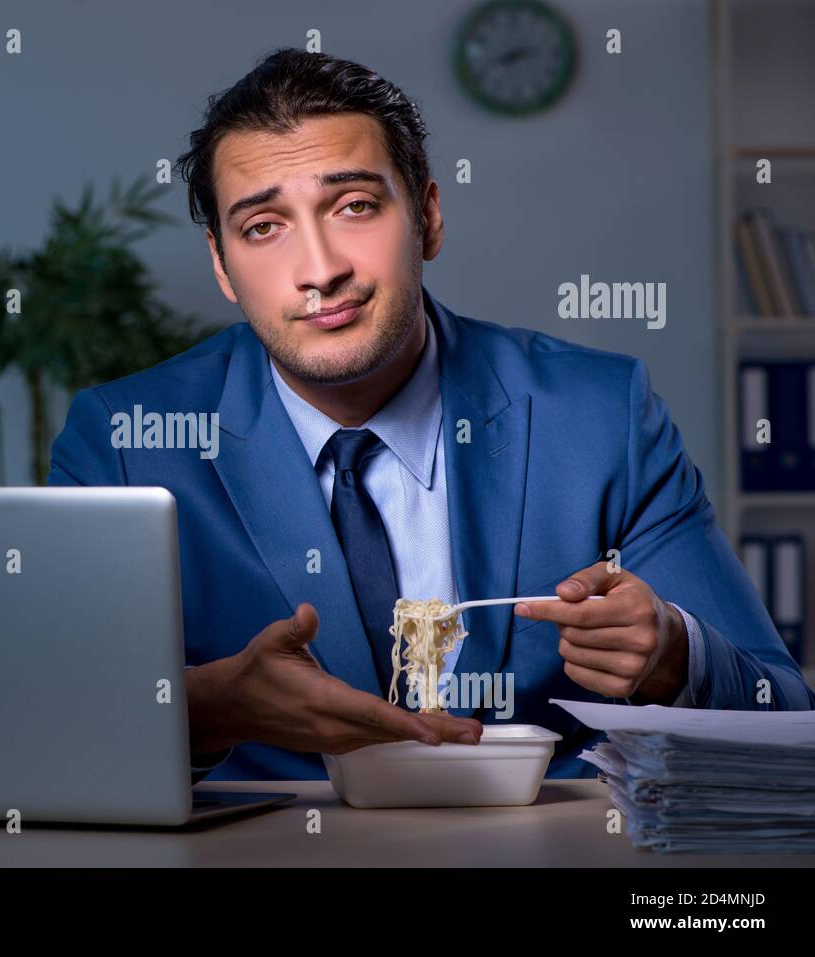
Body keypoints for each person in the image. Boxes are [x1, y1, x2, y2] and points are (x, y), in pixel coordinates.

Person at [47, 48, 815, 782]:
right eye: (263, 227)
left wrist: (675, 654)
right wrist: (213, 709)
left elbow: (782, 715)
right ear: (222, 265)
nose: (319, 270)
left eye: (354, 206)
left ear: (429, 217)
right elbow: (49, 736)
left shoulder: (600, 414)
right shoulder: (123, 442)